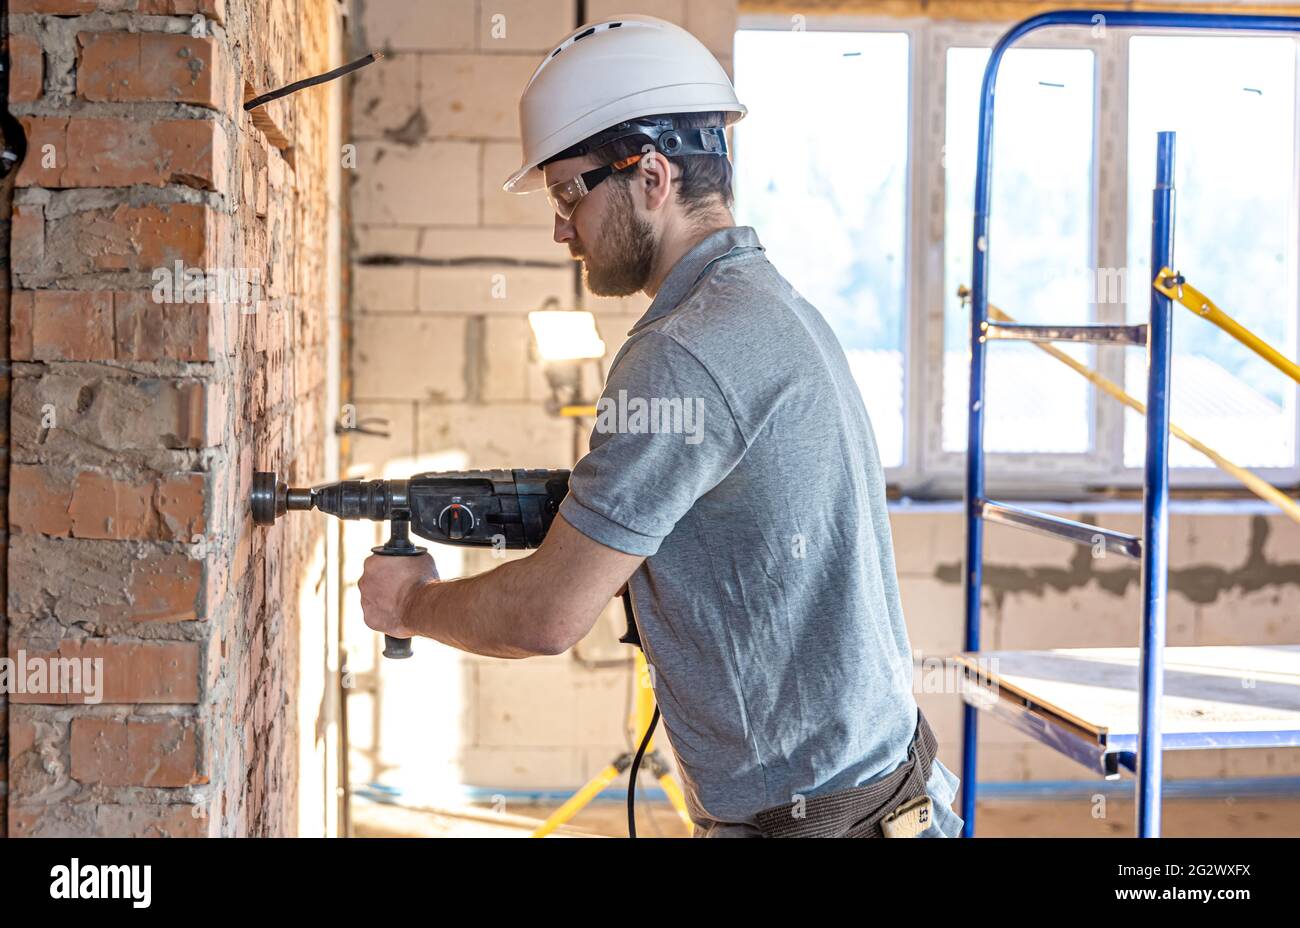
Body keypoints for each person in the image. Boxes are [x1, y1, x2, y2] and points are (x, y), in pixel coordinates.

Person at [358, 13, 964, 838]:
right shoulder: (771, 304)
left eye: (569, 191)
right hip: (887, 794)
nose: (559, 226)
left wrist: (413, 603)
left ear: (650, 176)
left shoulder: (682, 352)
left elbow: (547, 616)